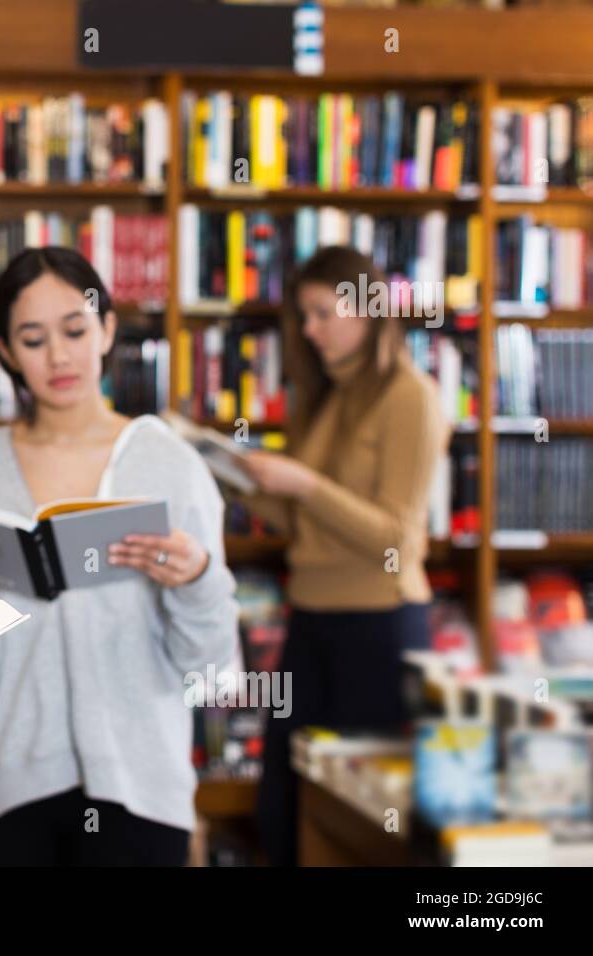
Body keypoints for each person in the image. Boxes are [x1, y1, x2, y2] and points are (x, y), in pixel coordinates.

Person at [0, 246, 239, 866]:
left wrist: (199, 581)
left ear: (106, 329)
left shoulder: (170, 465)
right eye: (32, 338)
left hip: (140, 788)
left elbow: (206, 667)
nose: (59, 356)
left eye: (75, 330)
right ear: (4, 351)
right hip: (6, 787)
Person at [239, 245, 449, 866]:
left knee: (367, 827)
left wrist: (303, 483)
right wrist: (240, 480)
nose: (309, 330)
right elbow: (306, 522)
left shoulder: (409, 396)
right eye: (302, 316)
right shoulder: (322, 397)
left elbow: (396, 538)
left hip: (379, 628)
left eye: (321, 312)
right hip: (312, 622)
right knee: (283, 810)